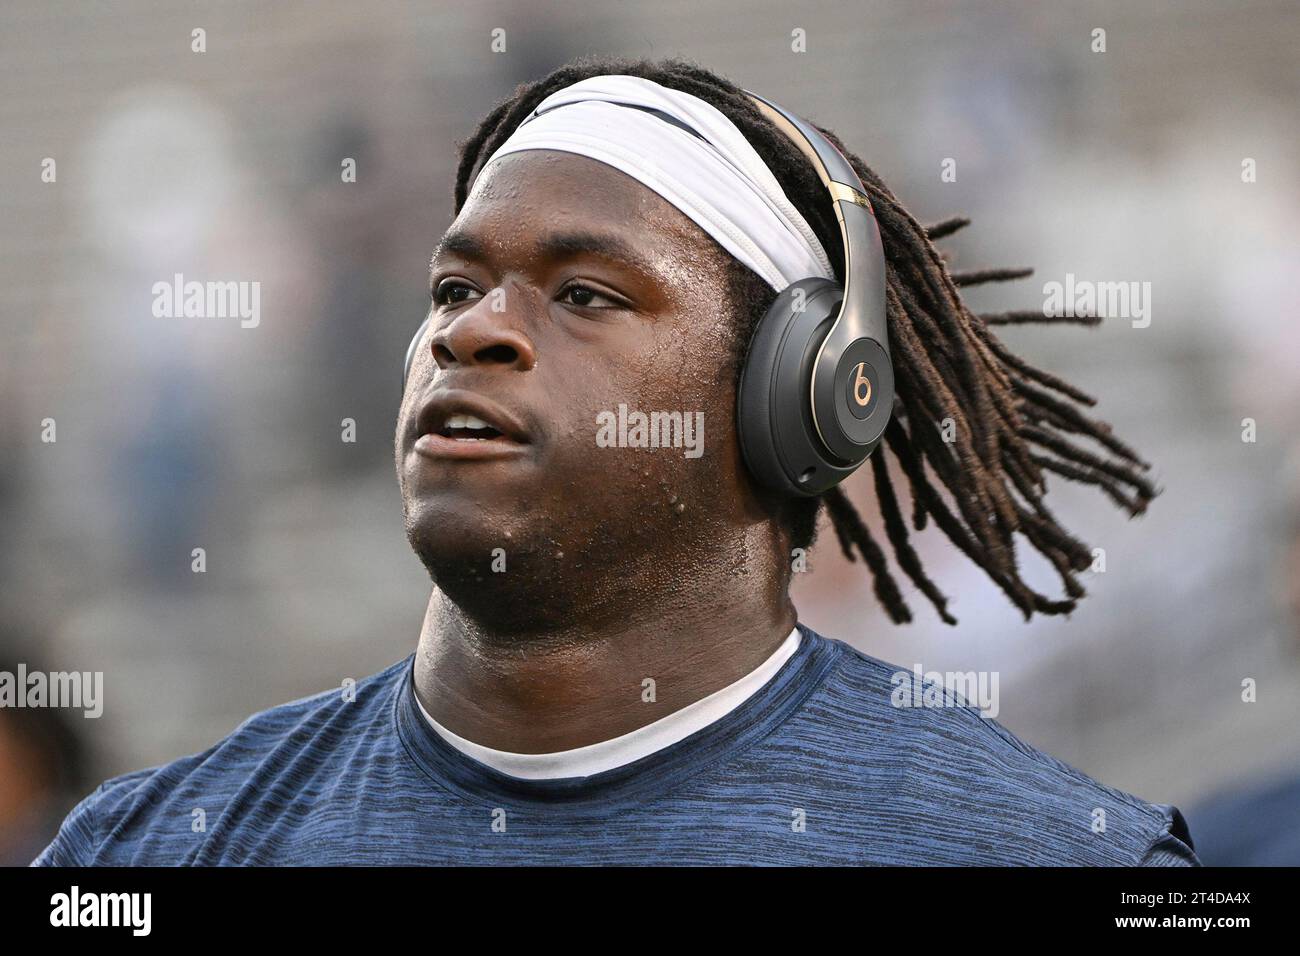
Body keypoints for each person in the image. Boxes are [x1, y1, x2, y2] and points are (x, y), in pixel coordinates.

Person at [34, 56, 1196, 865]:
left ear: (795, 393)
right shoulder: (143, 853)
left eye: (584, 293)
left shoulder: (1044, 854)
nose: (470, 329)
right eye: (452, 286)